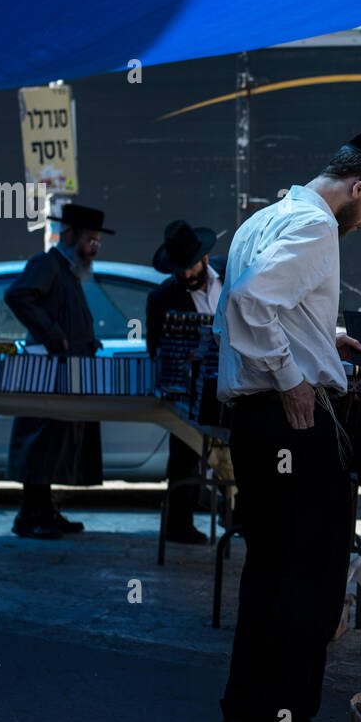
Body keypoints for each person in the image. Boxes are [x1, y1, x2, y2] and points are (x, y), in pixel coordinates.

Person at [215, 132, 361, 722]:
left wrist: (325, 339)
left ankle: (242, 721)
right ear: (359, 188)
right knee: (313, 582)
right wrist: (294, 375)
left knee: (267, 574)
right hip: (292, 421)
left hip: (254, 422)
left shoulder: (265, 217)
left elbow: (263, 304)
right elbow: (249, 304)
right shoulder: (316, 225)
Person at [4, 204, 113, 540]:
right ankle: (29, 515)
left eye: (97, 241)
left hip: (66, 370)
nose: (94, 247)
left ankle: (45, 511)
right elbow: (18, 296)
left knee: (53, 444)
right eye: (90, 240)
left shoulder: (68, 270)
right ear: (70, 236)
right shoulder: (47, 264)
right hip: (47, 370)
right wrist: (54, 337)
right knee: (40, 442)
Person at [146, 220, 229, 544]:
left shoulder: (231, 274)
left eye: (190, 267)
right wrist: (186, 355)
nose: (185, 275)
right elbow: (155, 348)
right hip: (192, 386)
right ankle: (178, 525)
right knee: (184, 454)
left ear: (205, 259)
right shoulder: (162, 297)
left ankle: (237, 516)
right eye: (179, 269)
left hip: (238, 379)